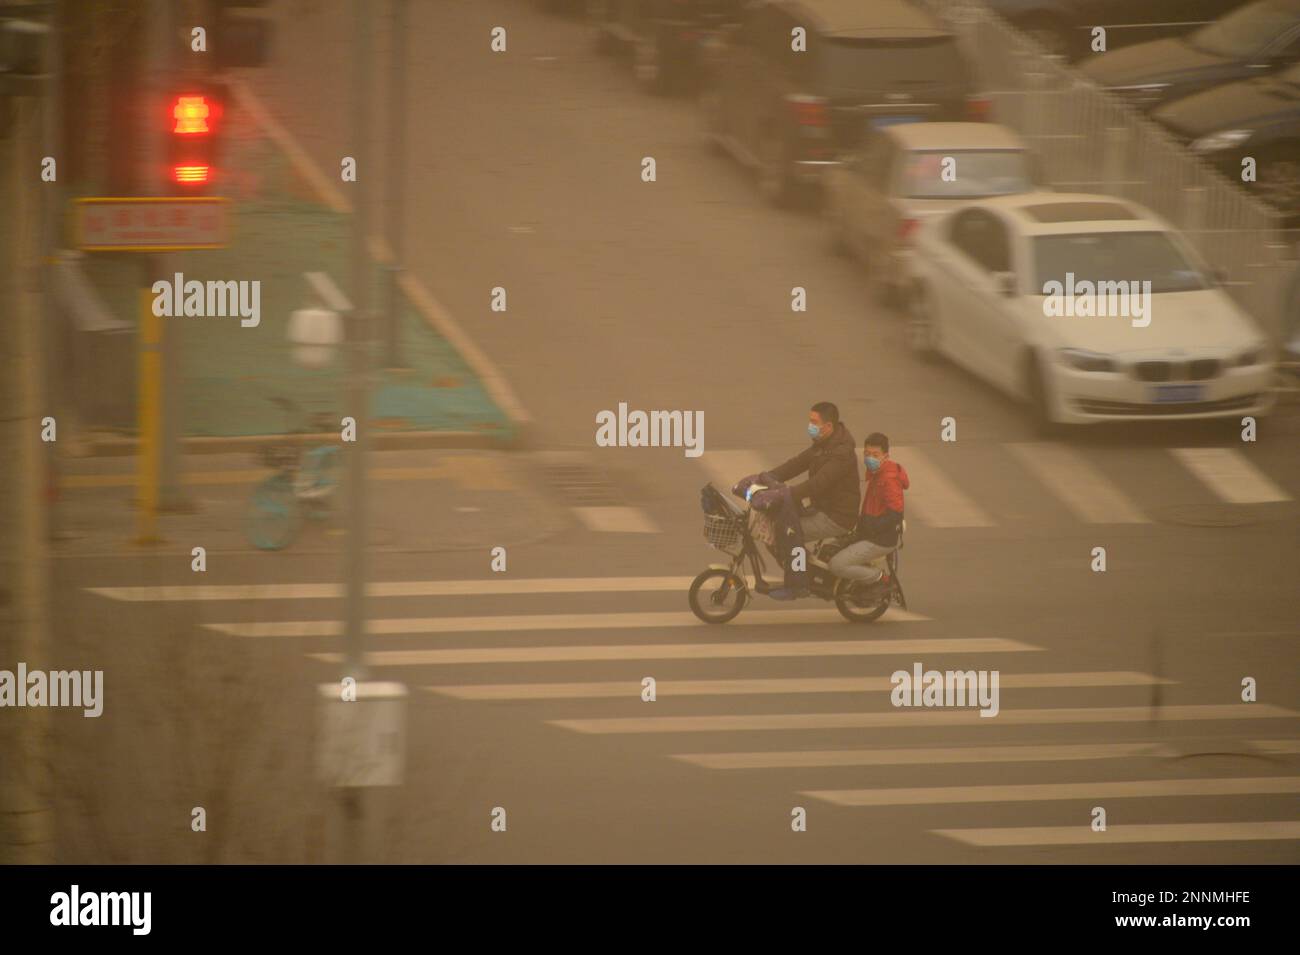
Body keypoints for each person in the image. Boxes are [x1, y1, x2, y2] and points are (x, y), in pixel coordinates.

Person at [762, 402, 860, 599]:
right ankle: (807, 572)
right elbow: (797, 463)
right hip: (822, 509)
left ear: (828, 426)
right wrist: (766, 476)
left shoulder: (841, 454)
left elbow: (817, 484)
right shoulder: (824, 444)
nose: (810, 426)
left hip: (836, 517)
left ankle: (799, 584)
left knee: (783, 534)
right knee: (775, 529)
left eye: (814, 422)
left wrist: (785, 494)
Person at [830, 432, 908, 592]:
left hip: (880, 539)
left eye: (875, 455)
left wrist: (869, 528)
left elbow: (895, 514)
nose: (869, 458)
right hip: (870, 533)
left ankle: (879, 577)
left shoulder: (889, 479)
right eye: (867, 454)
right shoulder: (877, 473)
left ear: (885, 456)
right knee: (831, 548)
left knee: (837, 565)